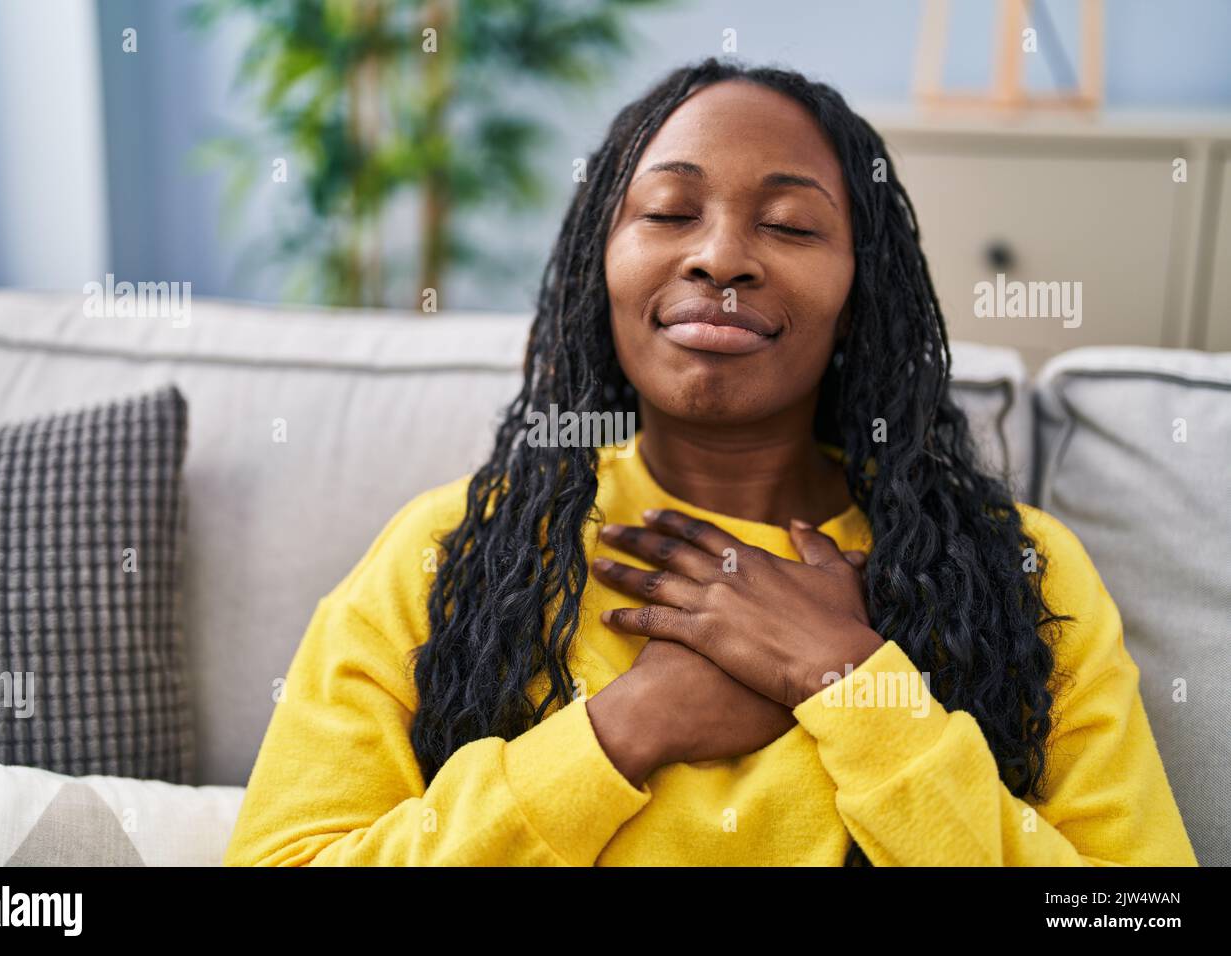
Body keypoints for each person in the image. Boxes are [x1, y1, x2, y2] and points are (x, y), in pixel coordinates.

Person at [223, 57, 1198, 867]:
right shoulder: (455, 551)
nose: (722, 257)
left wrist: (855, 685)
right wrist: (622, 728)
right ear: (596, 265)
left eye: (788, 224)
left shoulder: (1018, 569)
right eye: (669, 212)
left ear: (862, 291)